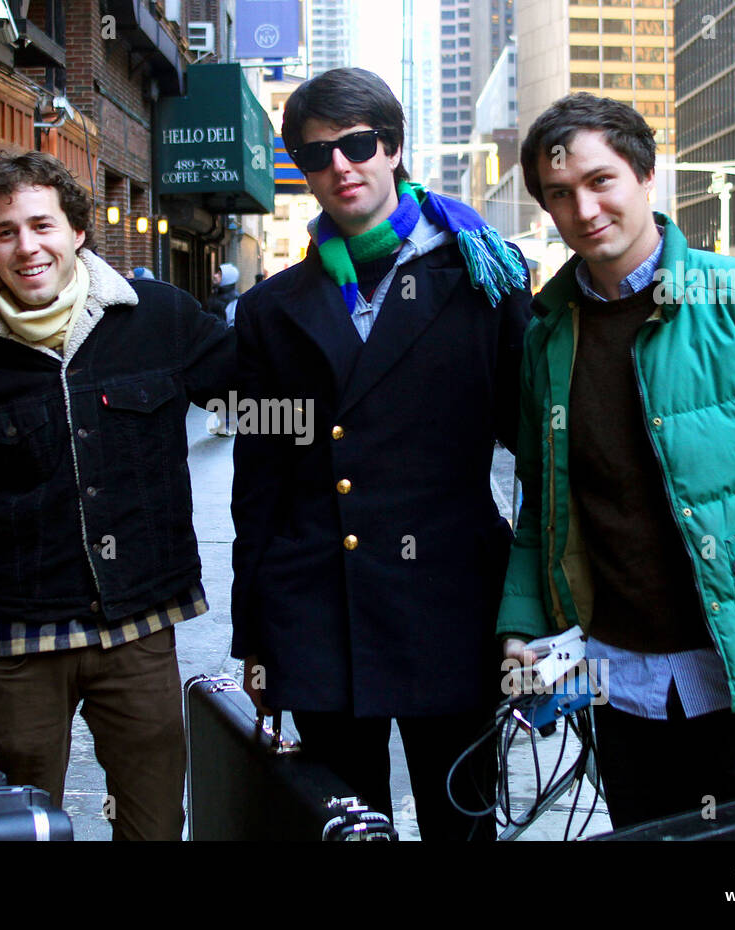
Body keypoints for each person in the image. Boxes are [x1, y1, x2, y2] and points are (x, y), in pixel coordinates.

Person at [498, 93, 735, 829]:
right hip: (624, 684)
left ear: (645, 175)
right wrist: (521, 628)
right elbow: (542, 508)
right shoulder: (547, 337)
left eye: (601, 180)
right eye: (560, 195)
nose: (584, 208)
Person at [230, 67, 532, 840]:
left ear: (393, 148)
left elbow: (537, 450)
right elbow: (258, 483)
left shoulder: (482, 277)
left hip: (451, 609)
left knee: (462, 827)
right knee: (343, 830)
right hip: (320, 613)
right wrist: (257, 641)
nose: (340, 165)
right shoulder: (270, 309)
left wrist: (536, 612)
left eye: (358, 144)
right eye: (315, 153)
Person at [0, 151, 233, 841]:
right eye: (6, 231)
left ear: (77, 231)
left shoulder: (158, 318)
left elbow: (257, 390)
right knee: (20, 831)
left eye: (42, 225)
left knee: (153, 824)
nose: (27, 246)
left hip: (140, 628)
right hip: (18, 644)